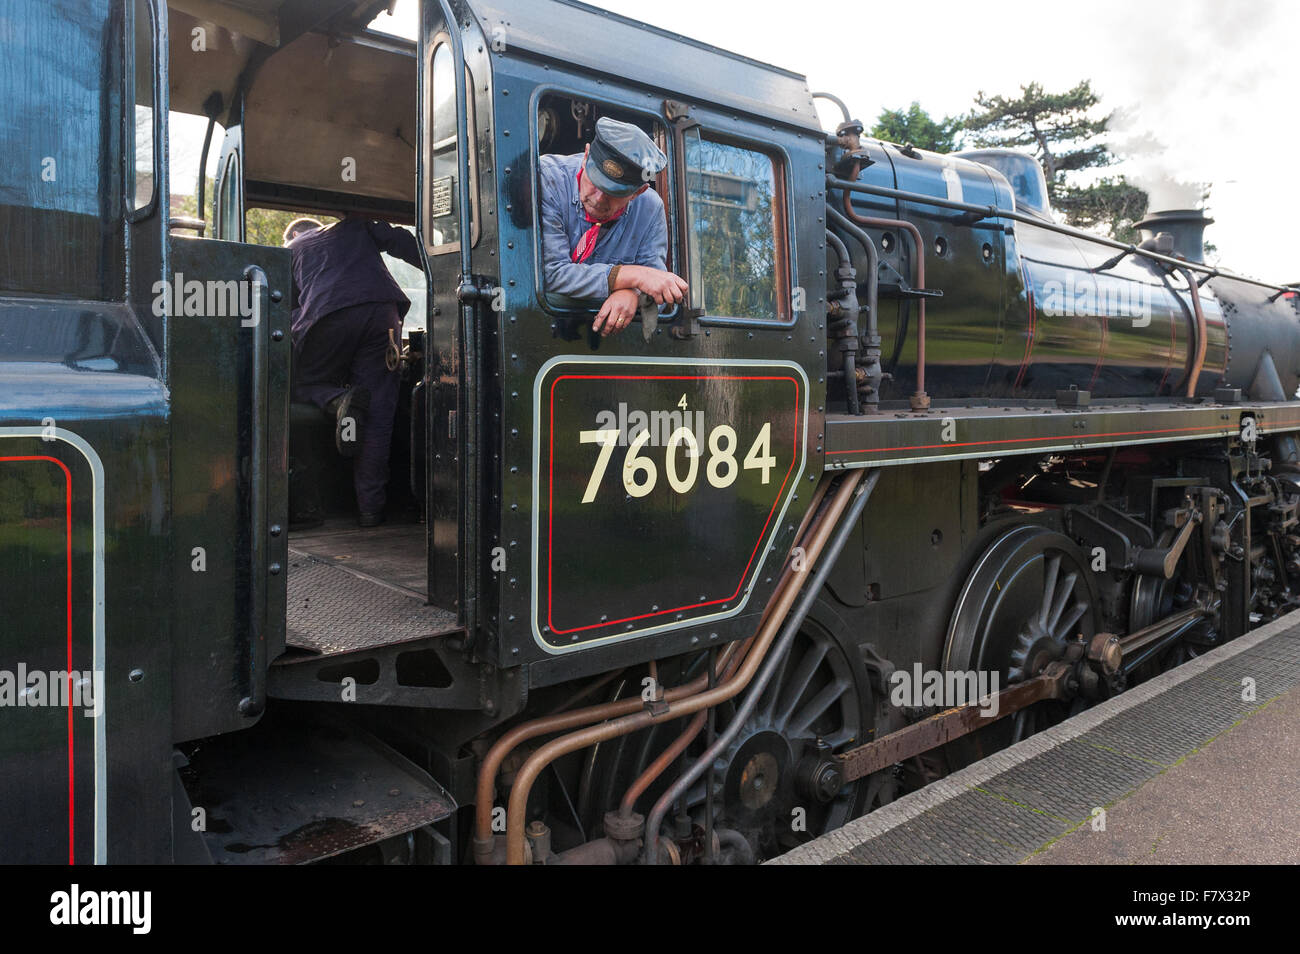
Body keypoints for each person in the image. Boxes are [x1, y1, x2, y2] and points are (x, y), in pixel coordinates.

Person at [285, 213, 424, 527]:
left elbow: (284, 310)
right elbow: (398, 238)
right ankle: (370, 510)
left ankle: (337, 399)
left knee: (302, 384)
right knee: (377, 413)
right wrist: (441, 272)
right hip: (382, 314)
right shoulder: (351, 226)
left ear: (294, 234)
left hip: (326, 318)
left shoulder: (292, 250)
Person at [539, 117, 688, 336]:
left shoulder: (650, 208)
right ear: (586, 156)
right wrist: (633, 277)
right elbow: (551, 273)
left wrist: (632, 295)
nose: (599, 199)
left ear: (638, 192)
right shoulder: (548, 177)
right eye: (595, 182)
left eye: (613, 194)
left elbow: (657, 289)